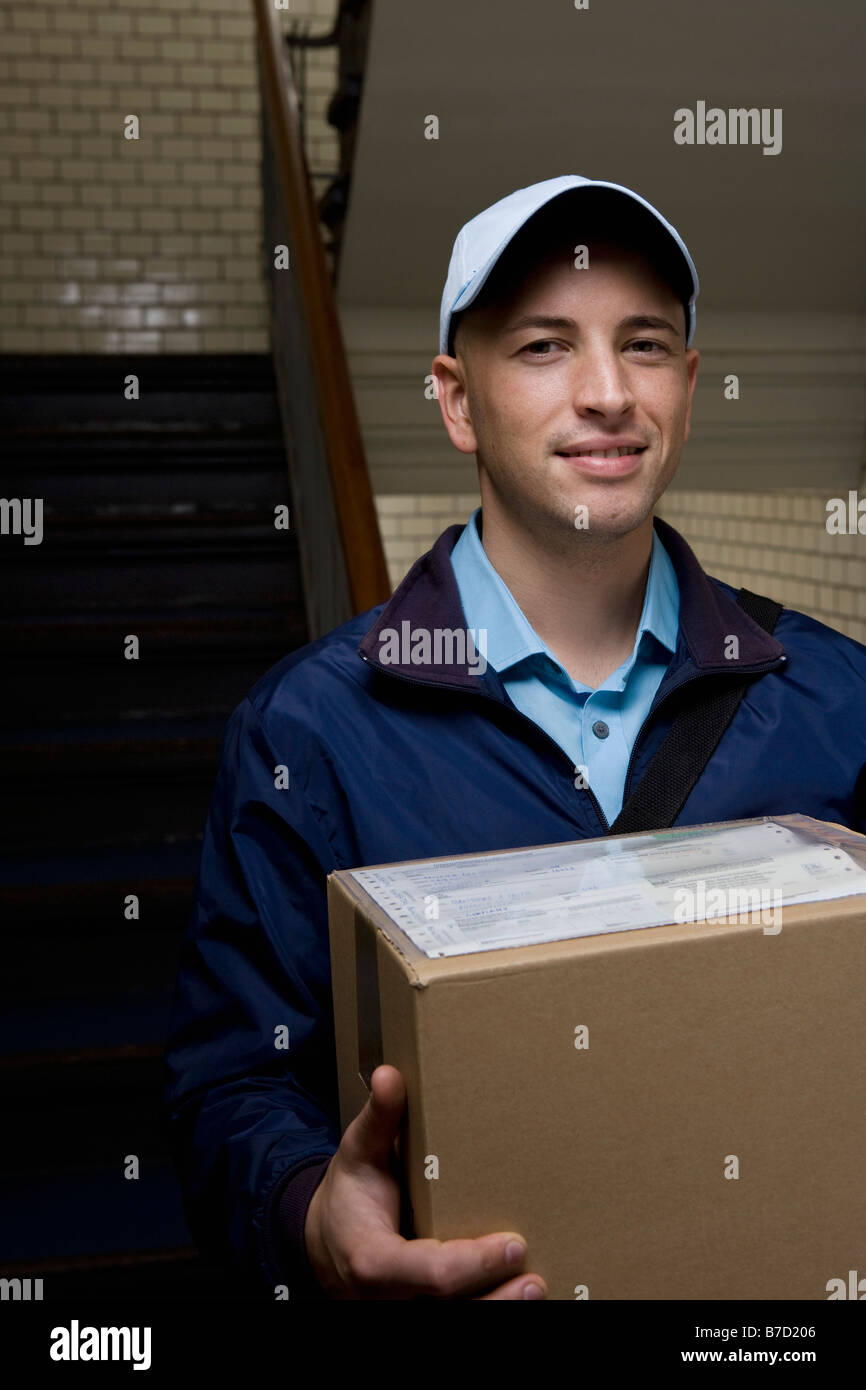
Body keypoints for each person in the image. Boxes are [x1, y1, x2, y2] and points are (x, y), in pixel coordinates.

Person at [163, 175, 866, 1301]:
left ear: (685, 388)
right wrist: (313, 1211)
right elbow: (228, 1090)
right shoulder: (311, 729)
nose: (604, 393)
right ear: (453, 401)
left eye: (642, 346)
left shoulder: (837, 694)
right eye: (542, 347)